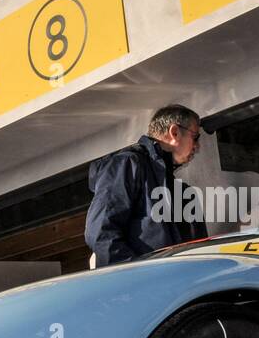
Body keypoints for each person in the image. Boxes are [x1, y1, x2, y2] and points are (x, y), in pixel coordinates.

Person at [85, 104, 204, 266]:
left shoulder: (181, 191)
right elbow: (100, 233)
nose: (197, 147)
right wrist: (137, 276)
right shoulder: (128, 164)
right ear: (174, 132)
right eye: (195, 137)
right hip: (145, 285)